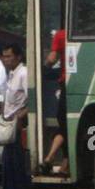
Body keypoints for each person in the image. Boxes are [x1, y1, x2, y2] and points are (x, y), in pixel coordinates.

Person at [0, 43, 31, 189]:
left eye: (9, 56)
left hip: (18, 127)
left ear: (18, 57)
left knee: (20, 167)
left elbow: (31, 100)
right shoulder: (11, 74)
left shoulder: (24, 73)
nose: (6, 59)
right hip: (8, 126)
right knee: (7, 167)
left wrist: (20, 116)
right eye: (4, 56)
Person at [40, 26, 68, 175]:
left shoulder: (61, 35)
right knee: (66, 124)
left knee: (63, 123)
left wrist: (43, 68)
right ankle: (61, 160)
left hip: (67, 83)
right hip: (81, 83)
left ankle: (51, 158)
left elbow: (53, 58)